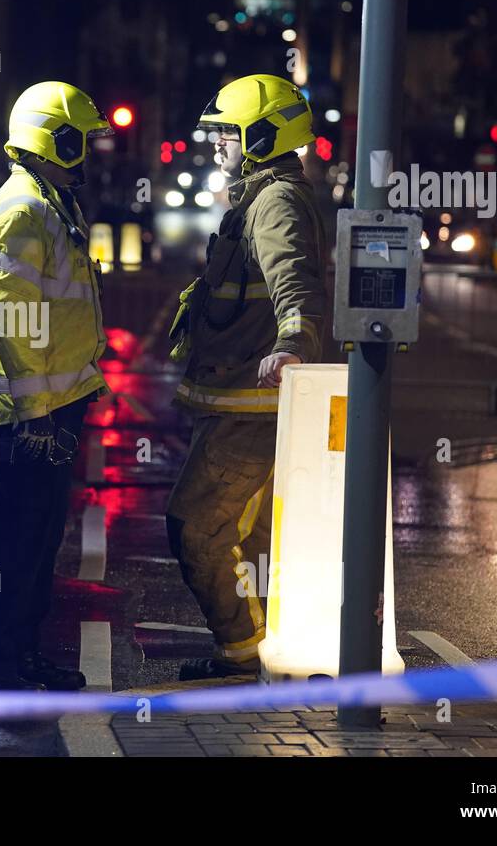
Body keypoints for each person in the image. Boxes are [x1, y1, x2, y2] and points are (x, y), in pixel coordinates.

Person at [166, 73, 327, 680]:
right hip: (242, 401)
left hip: (251, 406)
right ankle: (258, 655)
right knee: (252, 538)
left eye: (227, 135)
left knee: (195, 524)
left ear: (261, 136)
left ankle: (239, 655)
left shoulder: (275, 202)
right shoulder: (260, 198)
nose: (217, 145)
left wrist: (292, 345)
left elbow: (296, 282)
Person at [0, 81, 112, 691]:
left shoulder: (48, 202)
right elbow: (11, 316)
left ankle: (20, 657)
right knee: (20, 538)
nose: (89, 153)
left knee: (40, 536)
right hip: (35, 412)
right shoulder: (25, 209)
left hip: (52, 406)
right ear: (58, 140)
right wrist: (35, 415)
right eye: (83, 140)